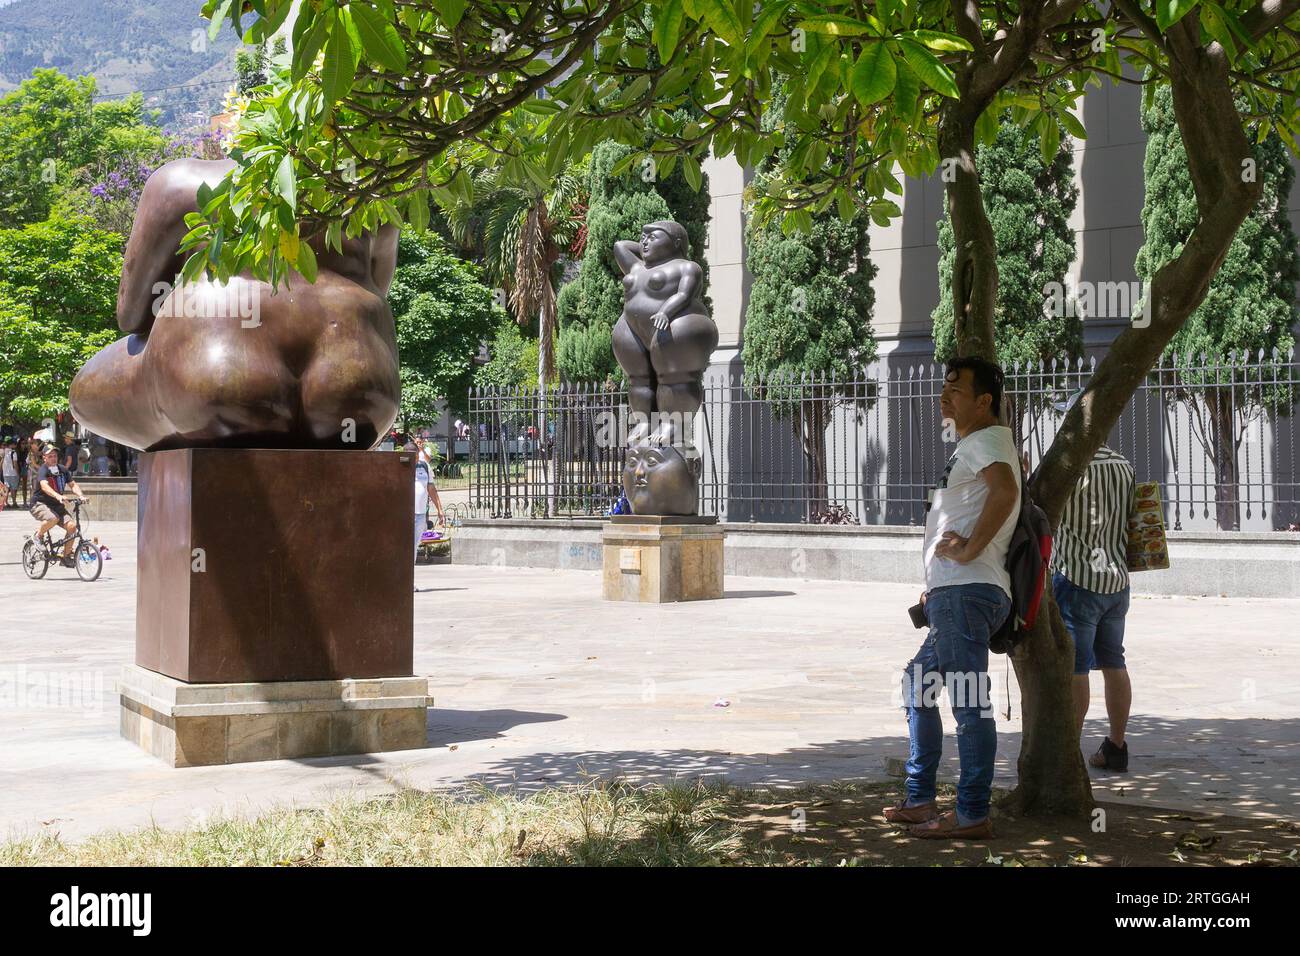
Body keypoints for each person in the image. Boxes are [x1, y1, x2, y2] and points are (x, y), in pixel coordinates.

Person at [889, 356, 1020, 840]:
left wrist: (969, 549)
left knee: (968, 703)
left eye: (956, 390)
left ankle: (970, 812)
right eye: (944, 387)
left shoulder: (987, 440)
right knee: (917, 685)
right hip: (952, 593)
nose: (944, 396)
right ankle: (921, 798)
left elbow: (1004, 493)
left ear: (984, 400)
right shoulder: (976, 443)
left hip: (966, 593)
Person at [1050, 393, 1137, 773]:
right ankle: (1116, 744)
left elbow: (1043, 514)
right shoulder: (1123, 466)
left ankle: (1069, 753)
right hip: (1116, 580)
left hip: (1076, 578)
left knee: (1077, 668)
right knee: (1114, 661)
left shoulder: (1067, 468)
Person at [30, 446, 89, 565]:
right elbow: (44, 486)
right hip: (40, 504)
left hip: (57, 505)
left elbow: (73, 485)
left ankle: (66, 556)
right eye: (50, 456)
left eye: (55, 456)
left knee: (72, 527)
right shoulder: (44, 470)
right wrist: (58, 496)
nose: (53, 458)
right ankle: (37, 536)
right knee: (53, 518)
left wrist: (81, 496)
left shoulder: (62, 469)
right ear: (44, 458)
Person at [1, 441, 18, 508]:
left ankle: (5, 503)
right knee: (13, 489)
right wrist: (17, 472)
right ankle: (14, 503)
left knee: (6, 489)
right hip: (13, 473)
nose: (16, 446)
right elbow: (15, 464)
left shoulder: (3, 452)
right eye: (15, 444)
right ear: (12, 445)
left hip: (5, 473)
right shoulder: (13, 453)